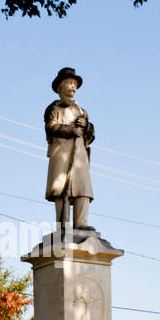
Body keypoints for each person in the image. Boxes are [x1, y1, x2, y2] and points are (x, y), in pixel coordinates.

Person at [44, 67, 95, 231]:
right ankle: (63, 224)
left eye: (75, 84)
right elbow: (51, 127)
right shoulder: (54, 108)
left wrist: (86, 126)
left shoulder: (82, 111)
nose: (73, 86)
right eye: (69, 83)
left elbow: (92, 135)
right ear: (60, 87)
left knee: (83, 188)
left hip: (80, 154)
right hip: (61, 153)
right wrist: (70, 130)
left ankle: (81, 223)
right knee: (61, 188)